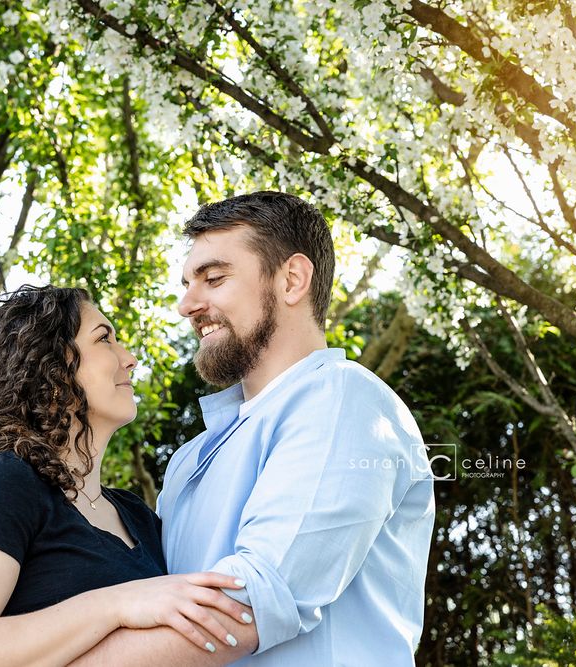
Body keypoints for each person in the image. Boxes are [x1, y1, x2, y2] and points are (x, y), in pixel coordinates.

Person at [70, 191, 436, 666]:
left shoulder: (342, 400)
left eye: (214, 279)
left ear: (291, 280)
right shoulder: (190, 459)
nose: (187, 304)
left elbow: (250, 603)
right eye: (187, 283)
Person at [0, 286, 257, 667]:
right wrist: (116, 604)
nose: (130, 359)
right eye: (104, 339)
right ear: (48, 366)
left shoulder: (137, 515)